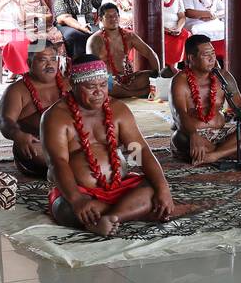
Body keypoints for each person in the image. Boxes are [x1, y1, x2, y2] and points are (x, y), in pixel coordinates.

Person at [43, 55, 175, 237]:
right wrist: (77, 199)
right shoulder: (56, 117)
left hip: (120, 187)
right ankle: (129, 211)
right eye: (91, 87)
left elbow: (138, 151)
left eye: (103, 85)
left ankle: (111, 217)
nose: (99, 92)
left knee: (152, 191)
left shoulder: (118, 110)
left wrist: (163, 188)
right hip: (82, 192)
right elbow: (58, 162)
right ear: (73, 85)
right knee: (64, 210)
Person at [170, 35, 241, 165]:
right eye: (206, 55)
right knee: (179, 138)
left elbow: (240, 107)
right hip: (195, 134)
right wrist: (194, 135)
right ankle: (231, 152)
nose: (212, 58)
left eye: (213, 53)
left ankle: (214, 156)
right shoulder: (180, 81)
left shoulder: (223, 76)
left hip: (221, 135)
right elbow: (179, 114)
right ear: (191, 58)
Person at [0, 41, 65, 177]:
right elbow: (5, 121)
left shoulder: (68, 84)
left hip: (69, 140)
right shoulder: (16, 90)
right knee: (35, 150)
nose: (50, 65)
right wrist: (18, 135)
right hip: (38, 144)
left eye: (53, 59)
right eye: (43, 60)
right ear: (29, 63)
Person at [88, 2, 160, 99]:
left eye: (115, 16)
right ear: (101, 19)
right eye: (109, 16)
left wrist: (158, 77)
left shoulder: (129, 36)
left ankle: (127, 92)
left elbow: (150, 53)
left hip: (128, 78)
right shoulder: (95, 39)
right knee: (108, 84)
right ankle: (137, 93)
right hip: (108, 80)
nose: (113, 19)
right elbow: (92, 68)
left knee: (150, 75)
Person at [162, 0, 190, 74]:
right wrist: (165, 29)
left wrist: (178, 28)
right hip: (161, 28)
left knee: (185, 34)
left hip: (175, 27)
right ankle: (171, 68)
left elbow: (182, 17)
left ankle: (175, 65)